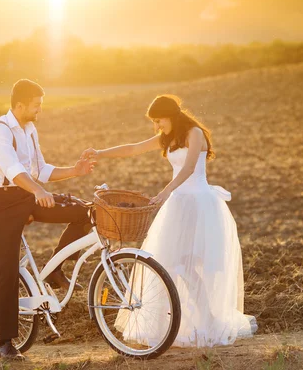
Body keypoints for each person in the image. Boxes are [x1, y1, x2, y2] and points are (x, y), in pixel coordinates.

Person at [81, 94, 257, 347]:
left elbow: (187, 169)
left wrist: (164, 193)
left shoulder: (194, 133)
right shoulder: (167, 138)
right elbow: (133, 148)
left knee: (193, 264)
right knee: (173, 265)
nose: (156, 127)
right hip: (179, 205)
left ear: (172, 115)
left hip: (198, 204)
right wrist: (99, 152)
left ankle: (207, 321)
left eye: (159, 120)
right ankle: (181, 323)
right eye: (154, 122)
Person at [0, 79, 95, 360]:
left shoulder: (30, 130)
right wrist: (40, 192)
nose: (39, 111)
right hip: (1, 202)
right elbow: (14, 169)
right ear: (19, 105)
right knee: (7, 269)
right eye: (36, 106)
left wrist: (75, 171)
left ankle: (55, 270)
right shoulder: (0, 131)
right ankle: (5, 341)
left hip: (26, 195)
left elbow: (40, 169)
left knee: (84, 212)